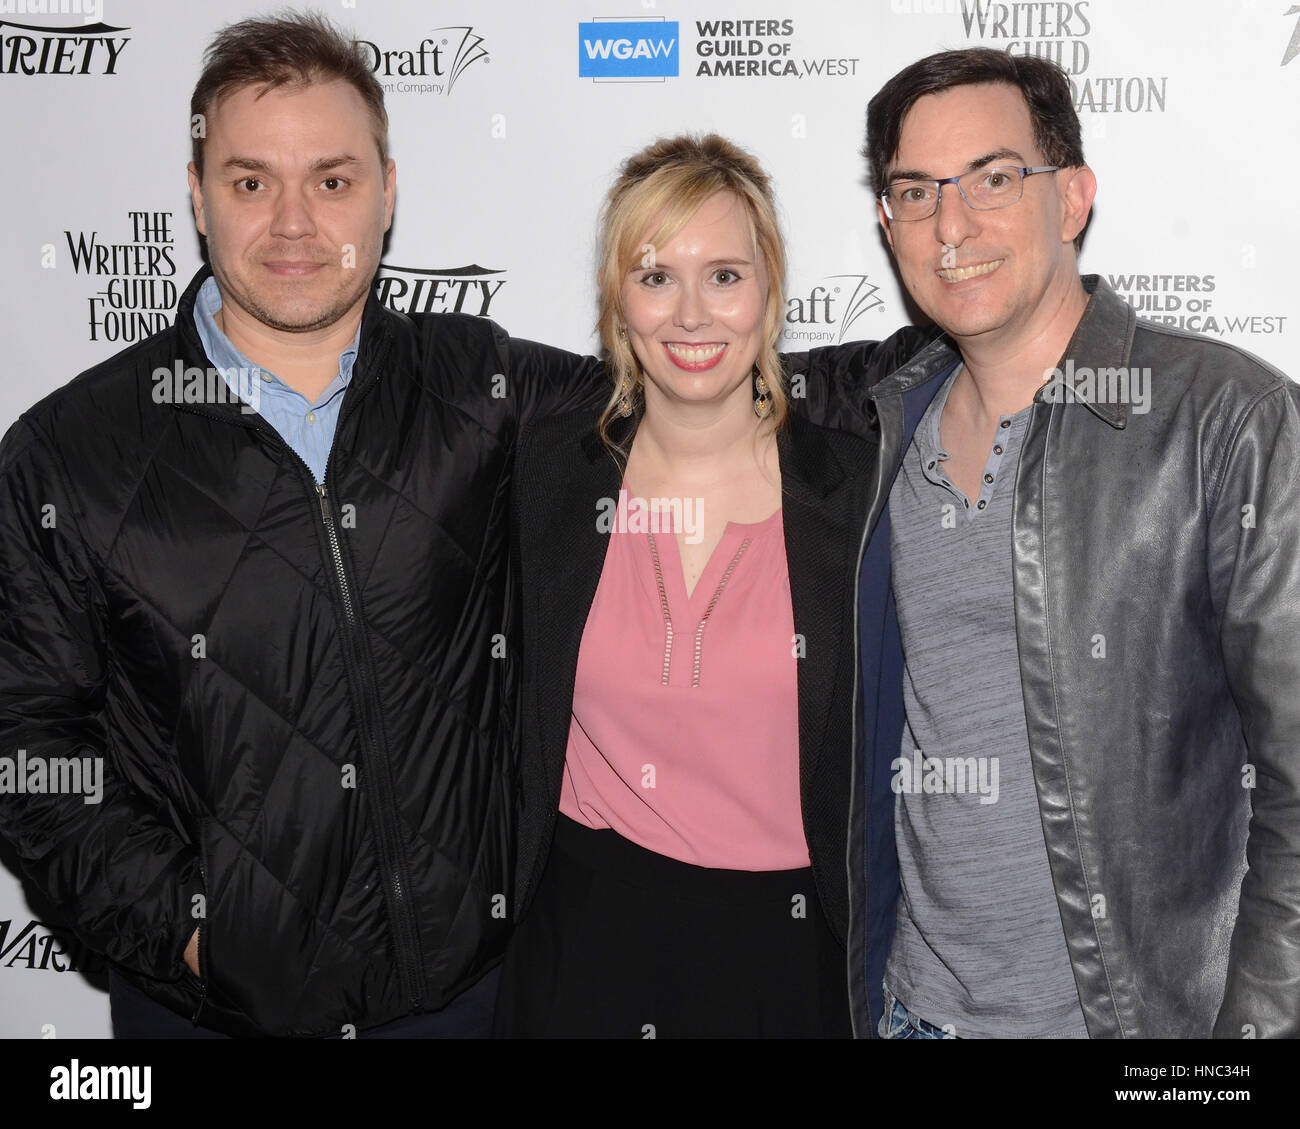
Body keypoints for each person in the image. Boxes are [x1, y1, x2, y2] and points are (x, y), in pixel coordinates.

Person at [0, 11, 603, 1038]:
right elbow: (27, 745)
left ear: (387, 191)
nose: (292, 224)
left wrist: (935, 366)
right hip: (210, 1014)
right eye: (249, 182)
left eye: (332, 180)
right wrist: (193, 931)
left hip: (466, 1001)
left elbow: (700, 396)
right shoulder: (67, 455)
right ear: (196, 196)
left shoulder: (480, 387)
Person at [795, 47, 1300, 1038]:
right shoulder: (879, 431)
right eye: (914, 191)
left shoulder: (1224, 420)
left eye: (993, 179)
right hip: (913, 1012)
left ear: (1070, 198)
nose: (952, 226)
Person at [497, 134, 919, 1038]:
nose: (691, 315)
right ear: (618, 297)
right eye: (656, 277)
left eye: (724, 275)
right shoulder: (546, 475)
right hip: (581, 944)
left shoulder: (856, 491)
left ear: (769, 292)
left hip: (792, 955)